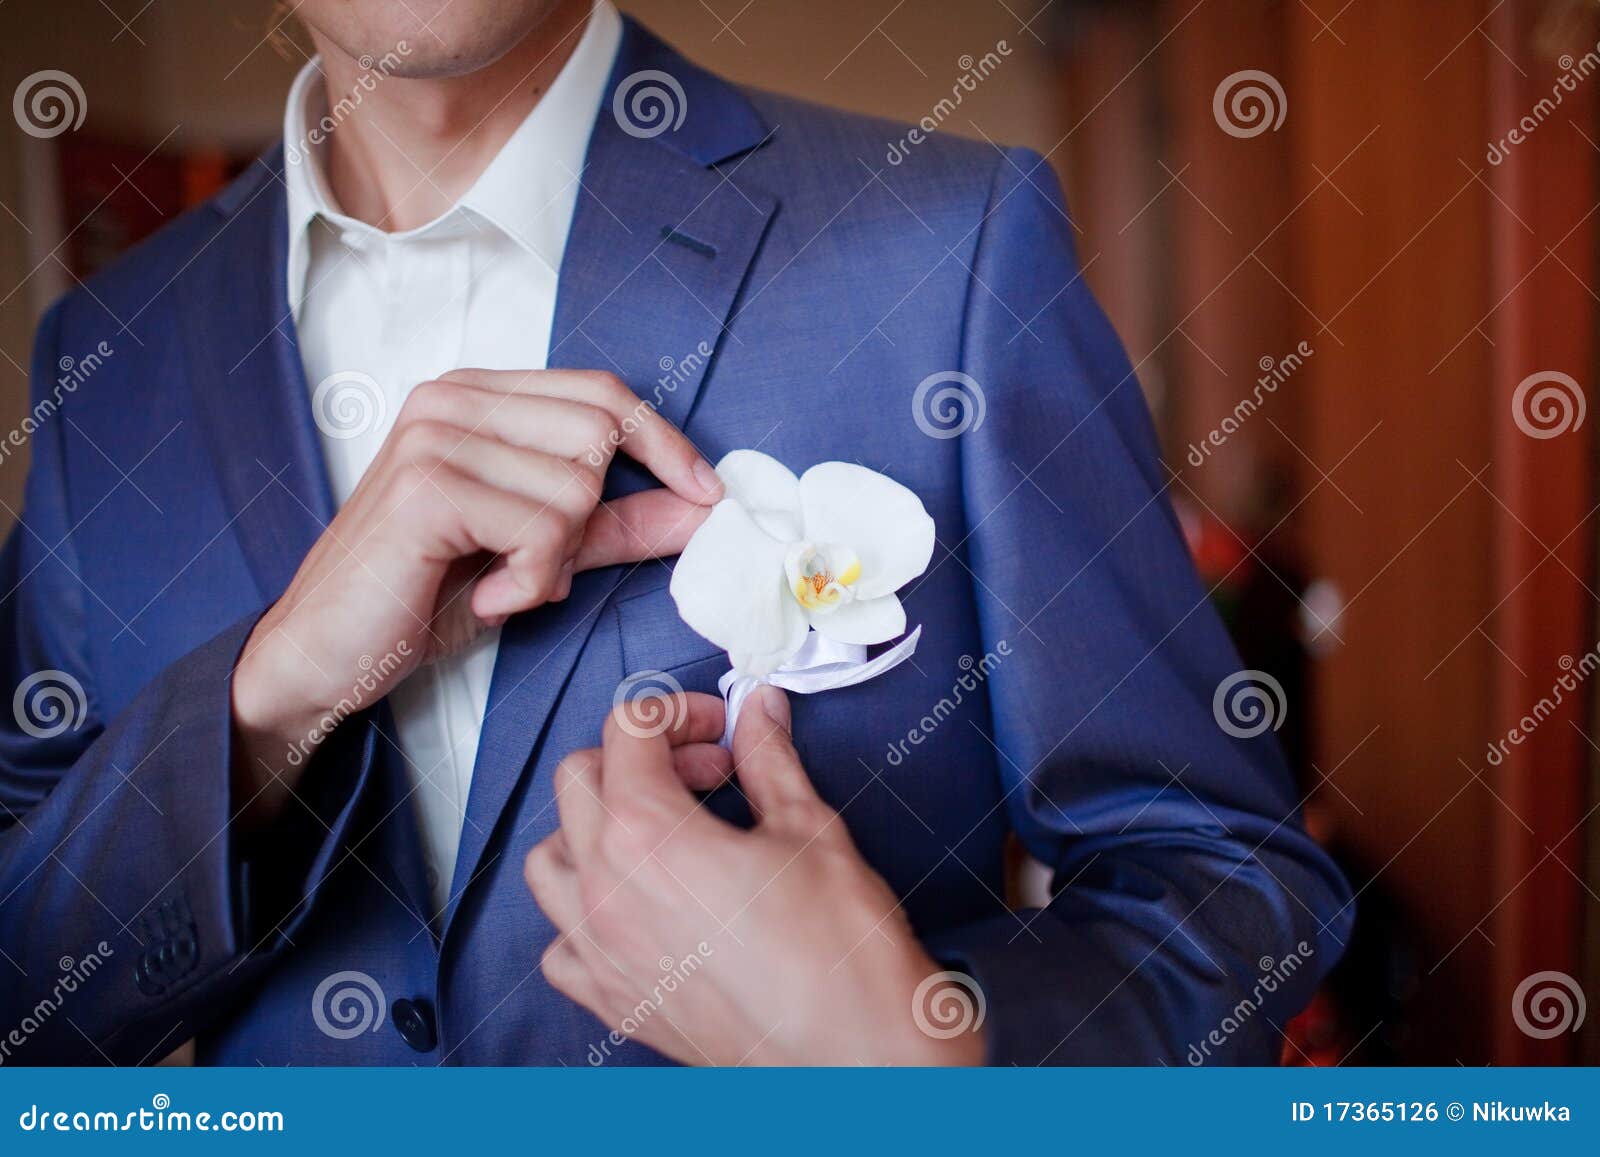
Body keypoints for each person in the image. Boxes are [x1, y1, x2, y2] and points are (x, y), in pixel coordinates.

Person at [0, 0, 1351, 1064]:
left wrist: (901, 1047)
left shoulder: (943, 248)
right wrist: (266, 702)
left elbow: (1232, 889)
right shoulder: (103, 364)